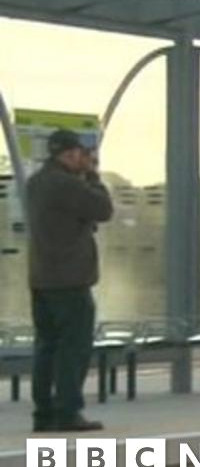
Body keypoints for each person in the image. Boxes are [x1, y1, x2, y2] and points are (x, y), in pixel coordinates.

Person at [26, 129, 113, 432]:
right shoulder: (66, 184)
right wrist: (93, 176)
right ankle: (67, 411)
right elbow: (103, 209)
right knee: (72, 348)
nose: (85, 159)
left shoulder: (36, 182)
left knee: (47, 346)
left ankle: (44, 413)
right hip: (69, 279)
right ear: (71, 153)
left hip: (41, 277)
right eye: (82, 154)